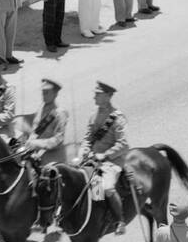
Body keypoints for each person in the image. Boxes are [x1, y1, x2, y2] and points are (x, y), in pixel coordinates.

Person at [75, 80, 130, 233]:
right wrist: (83, 152)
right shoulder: (94, 116)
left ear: (108, 95)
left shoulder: (118, 118)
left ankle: (119, 221)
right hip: (93, 159)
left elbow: (123, 144)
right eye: (95, 94)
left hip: (111, 161)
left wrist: (104, 155)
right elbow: (87, 138)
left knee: (105, 187)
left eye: (98, 94)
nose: (94, 97)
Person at [20, 78, 69, 166]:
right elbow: (36, 131)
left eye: (46, 93)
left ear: (55, 94)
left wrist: (37, 144)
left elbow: (59, 139)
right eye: (43, 92)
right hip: (38, 154)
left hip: (53, 157)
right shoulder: (41, 109)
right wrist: (29, 143)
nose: (43, 95)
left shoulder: (60, 113)